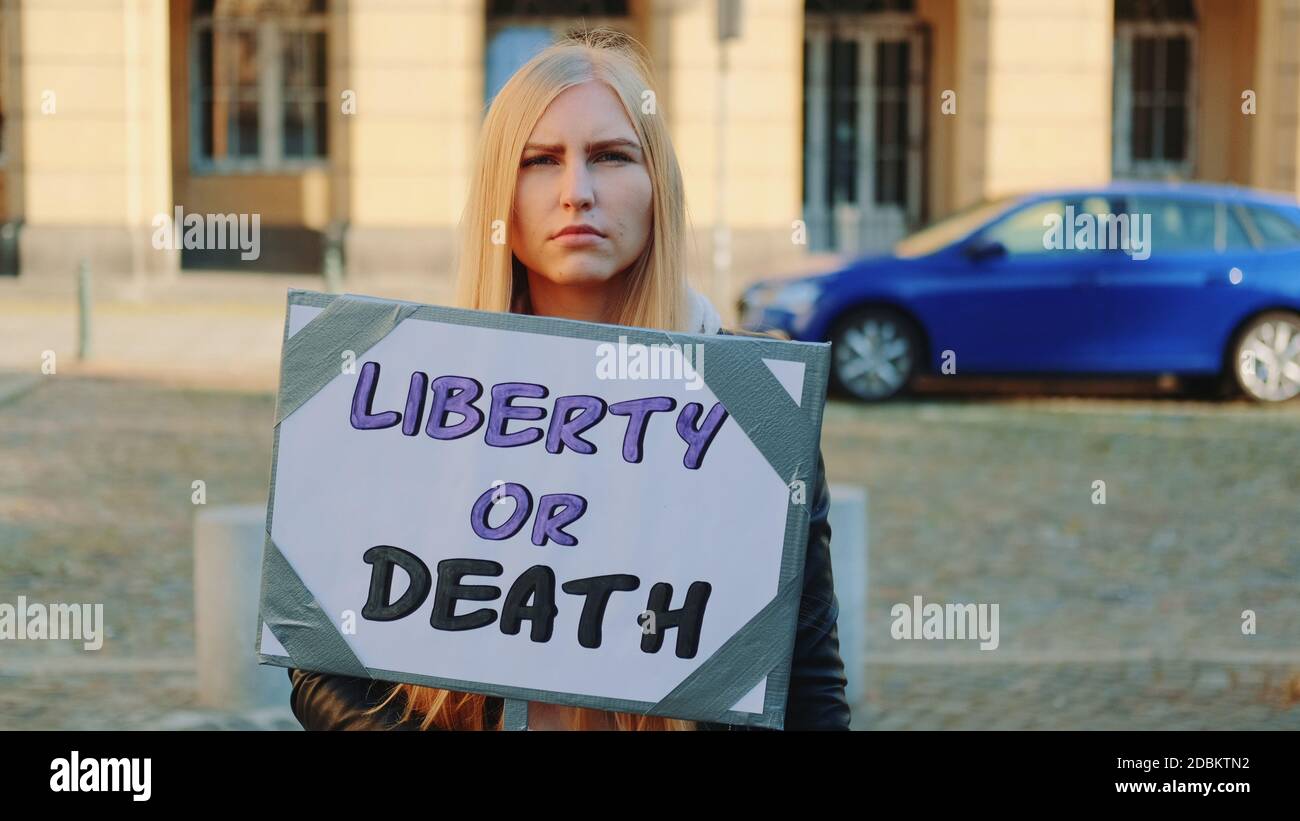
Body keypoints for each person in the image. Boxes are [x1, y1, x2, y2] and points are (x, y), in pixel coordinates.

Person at [287, 29, 850, 731]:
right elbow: (322, 660)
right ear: (501, 195)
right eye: (540, 160)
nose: (575, 192)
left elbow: (809, 691)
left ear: (659, 188)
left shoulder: (756, 408)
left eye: (611, 156)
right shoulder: (411, 393)